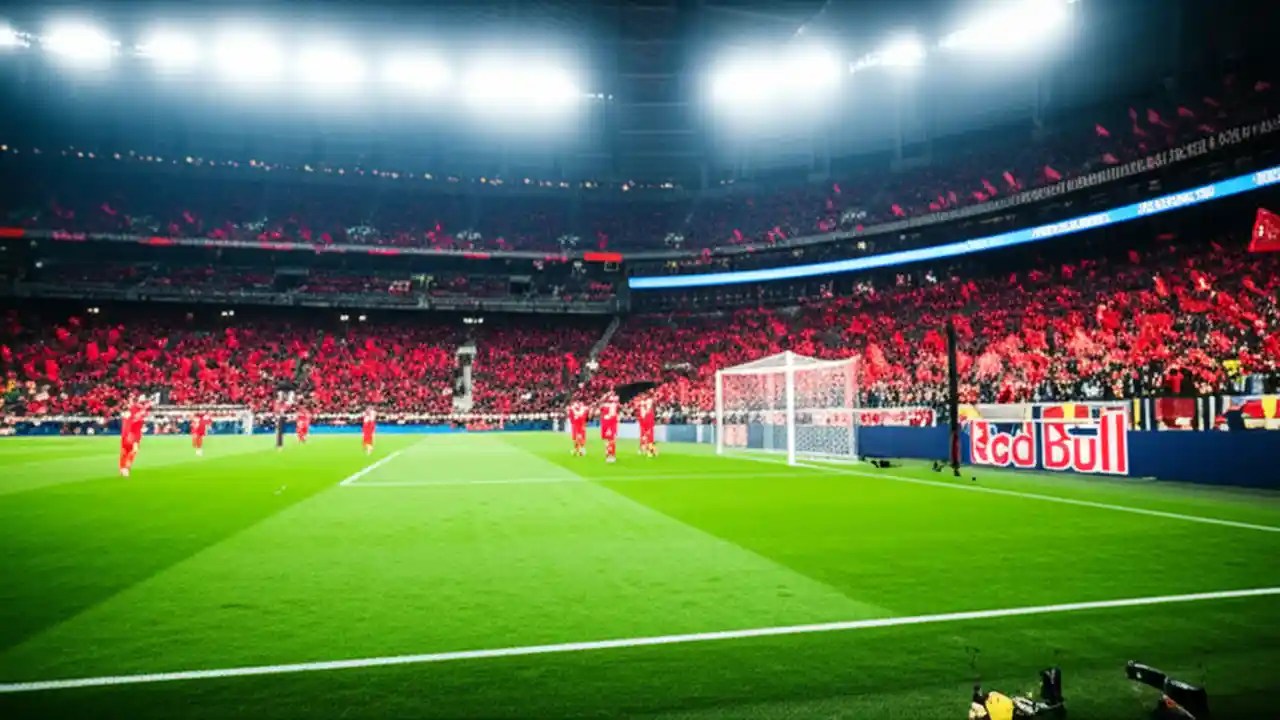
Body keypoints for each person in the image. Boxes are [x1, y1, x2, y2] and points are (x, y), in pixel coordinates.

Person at [118, 395, 149, 477]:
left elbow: (140, 419)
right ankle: (125, 468)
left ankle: (123, 468)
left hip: (131, 434)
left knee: (127, 451)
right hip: (131, 434)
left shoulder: (138, 410)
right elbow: (129, 422)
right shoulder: (132, 410)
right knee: (131, 450)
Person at [599, 392, 620, 463]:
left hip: (608, 424)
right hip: (609, 424)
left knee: (609, 441)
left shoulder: (605, 405)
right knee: (610, 440)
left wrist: (607, 395)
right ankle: (610, 455)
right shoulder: (613, 405)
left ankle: (610, 455)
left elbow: (600, 404)